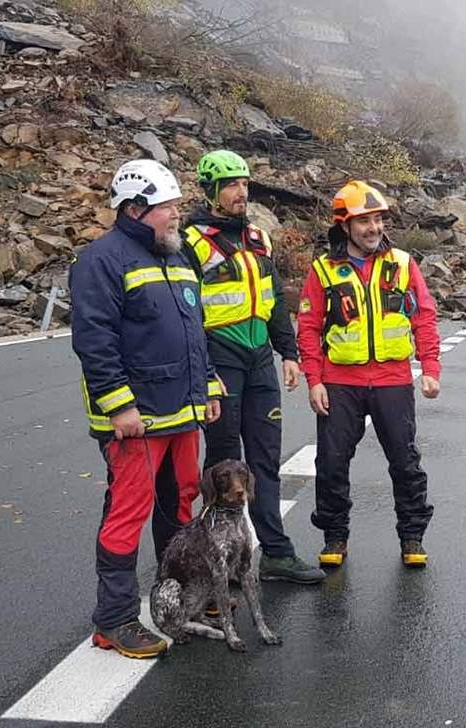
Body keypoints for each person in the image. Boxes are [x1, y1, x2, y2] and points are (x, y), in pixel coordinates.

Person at [69, 158, 224, 659]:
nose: (178, 214)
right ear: (136, 210)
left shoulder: (177, 258)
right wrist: (119, 407)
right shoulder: (101, 260)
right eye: (169, 206)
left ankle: (173, 598)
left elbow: (194, 334)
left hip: (182, 412)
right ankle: (112, 621)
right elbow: (95, 342)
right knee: (127, 512)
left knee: (179, 507)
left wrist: (210, 386)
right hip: (136, 420)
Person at [182, 149, 325, 584]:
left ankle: (276, 555)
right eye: (230, 184)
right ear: (210, 191)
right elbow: (187, 315)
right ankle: (216, 561)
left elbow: (275, 300)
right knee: (224, 464)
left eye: (244, 183)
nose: (241, 191)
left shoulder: (258, 238)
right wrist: (202, 373)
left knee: (264, 462)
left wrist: (289, 352)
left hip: (260, 357)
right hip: (220, 356)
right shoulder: (190, 243)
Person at [296, 180, 442, 568]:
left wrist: (430, 368)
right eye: (364, 221)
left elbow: (423, 317)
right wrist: (314, 381)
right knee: (331, 464)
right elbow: (308, 329)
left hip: (393, 381)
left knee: (405, 462)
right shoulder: (323, 271)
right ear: (344, 226)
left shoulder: (403, 263)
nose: (374, 228)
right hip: (340, 383)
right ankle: (334, 536)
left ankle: (412, 536)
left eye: (378, 219)